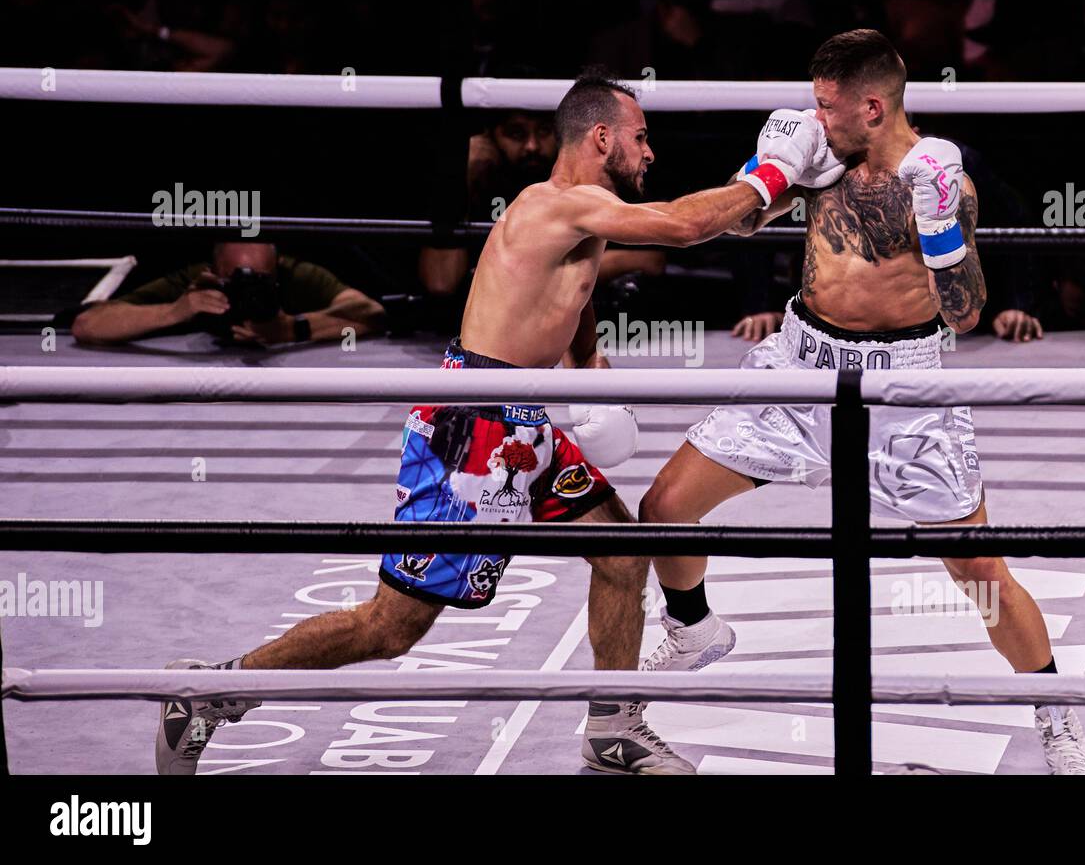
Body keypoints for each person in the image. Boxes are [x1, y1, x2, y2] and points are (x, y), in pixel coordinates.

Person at [156, 69, 833, 776]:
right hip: (470, 429)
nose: (650, 152)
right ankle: (214, 691)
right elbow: (683, 227)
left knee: (625, 554)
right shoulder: (555, 205)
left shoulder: (582, 212)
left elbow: (572, 285)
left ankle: (614, 727)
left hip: (520, 426)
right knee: (391, 628)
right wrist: (771, 171)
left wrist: (587, 356)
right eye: (641, 137)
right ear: (601, 138)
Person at [640, 29, 1085, 774]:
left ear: (874, 107)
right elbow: (740, 223)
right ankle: (694, 628)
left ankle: (1056, 716)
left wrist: (944, 231)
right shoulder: (818, 157)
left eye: (828, 107)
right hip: (799, 368)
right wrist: (767, 170)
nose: (813, 117)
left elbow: (965, 311)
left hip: (905, 395)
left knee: (980, 575)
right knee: (664, 506)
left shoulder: (941, 177)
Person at [71, 242, 386, 347]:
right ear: (214, 273)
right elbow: (87, 324)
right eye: (235, 282)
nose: (248, 290)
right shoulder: (196, 281)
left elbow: (370, 313)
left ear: (276, 272)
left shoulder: (294, 274)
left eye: (260, 281)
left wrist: (293, 327)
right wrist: (174, 311)